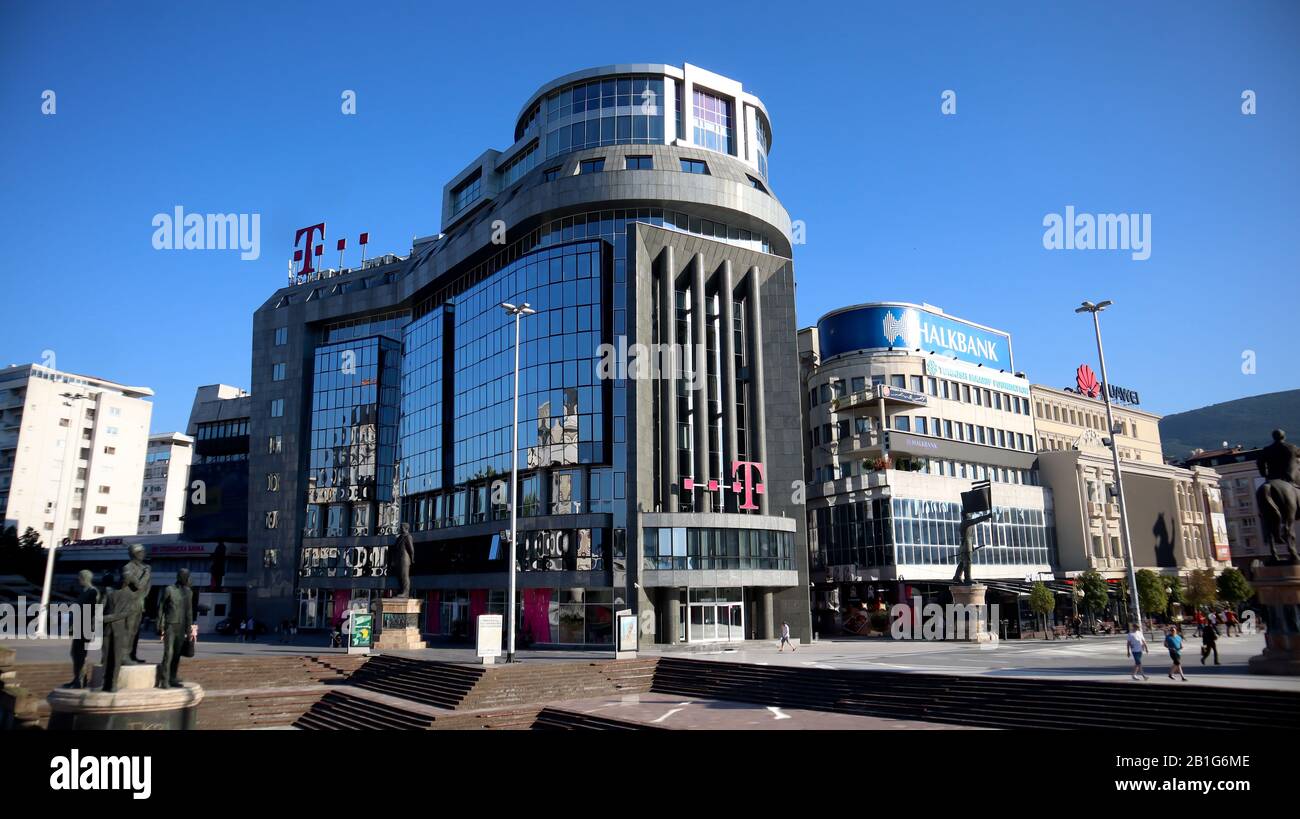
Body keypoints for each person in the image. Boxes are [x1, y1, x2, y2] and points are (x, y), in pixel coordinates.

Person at [156, 568, 196, 689]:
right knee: (169, 653)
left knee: (177, 653)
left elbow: (189, 611)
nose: (187, 578)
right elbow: (161, 607)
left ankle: (172, 677)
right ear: (179, 577)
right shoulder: (169, 589)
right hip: (170, 624)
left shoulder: (189, 592)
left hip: (182, 626)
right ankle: (164, 680)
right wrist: (159, 623)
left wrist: (189, 630)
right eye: (184, 576)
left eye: (187, 576)